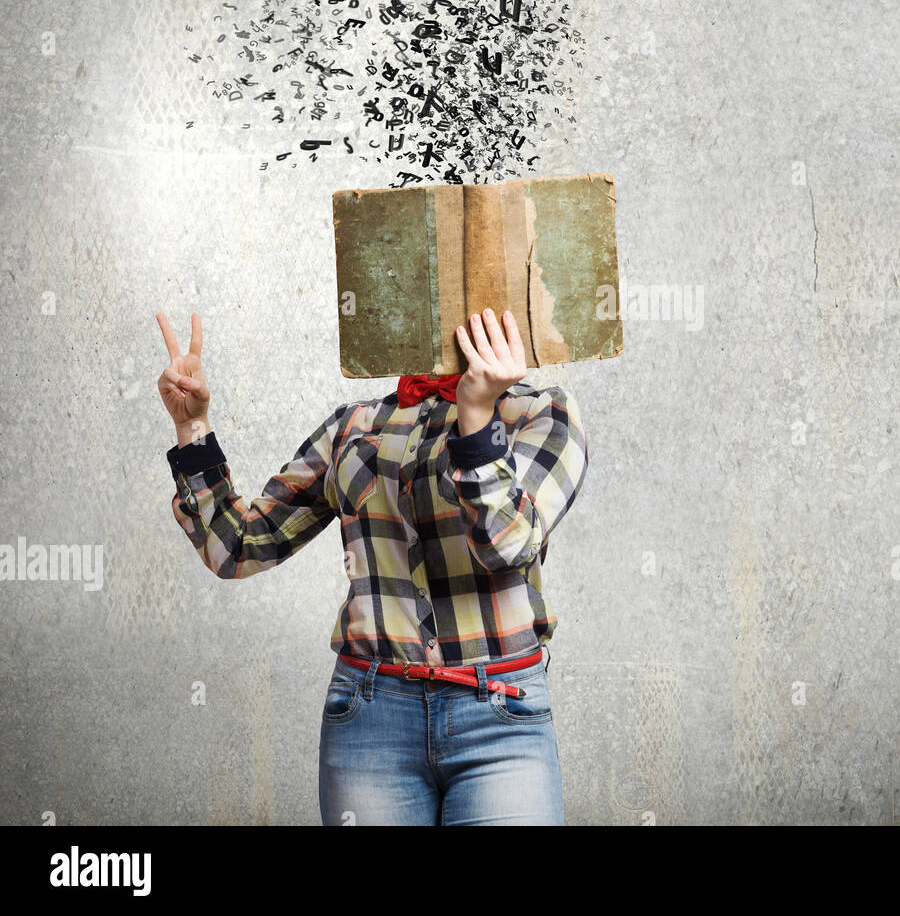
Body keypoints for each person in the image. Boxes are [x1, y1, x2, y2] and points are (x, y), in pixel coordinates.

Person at [155, 307, 588, 825]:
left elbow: (505, 546)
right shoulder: (353, 427)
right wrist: (192, 426)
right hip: (370, 719)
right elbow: (237, 547)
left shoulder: (542, 416)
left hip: (500, 717)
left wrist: (477, 415)